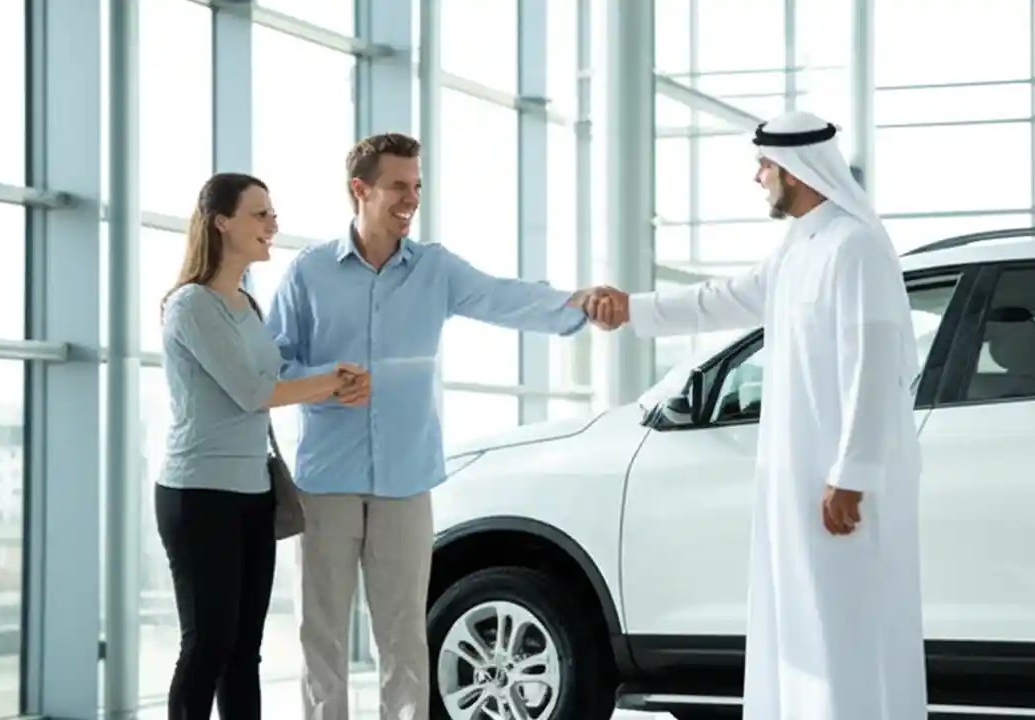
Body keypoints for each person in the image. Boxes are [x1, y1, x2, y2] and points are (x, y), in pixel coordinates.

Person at [585, 111, 927, 719]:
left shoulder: (857, 248)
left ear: (795, 170)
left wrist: (852, 474)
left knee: (844, 622)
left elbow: (875, 367)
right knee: (799, 625)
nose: (758, 178)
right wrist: (630, 309)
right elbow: (721, 300)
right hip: (798, 477)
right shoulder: (800, 248)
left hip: (838, 484)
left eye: (764, 165)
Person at [264, 132, 610, 719]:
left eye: (417, 186)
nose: (411, 198)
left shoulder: (435, 269)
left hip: (405, 478)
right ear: (361, 189)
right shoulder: (309, 272)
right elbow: (274, 365)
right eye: (399, 185)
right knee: (319, 634)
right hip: (327, 479)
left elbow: (507, 298)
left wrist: (579, 304)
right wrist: (328, 380)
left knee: (403, 635)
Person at [155, 172, 368, 720]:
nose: (273, 225)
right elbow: (253, 392)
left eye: (272, 214)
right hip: (200, 495)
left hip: (252, 492)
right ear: (221, 222)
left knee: (243, 650)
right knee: (207, 645)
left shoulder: (247, 303)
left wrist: (327, 378)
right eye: (260, 214)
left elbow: (270, 375)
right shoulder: (191, 305)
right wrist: (333, 382)